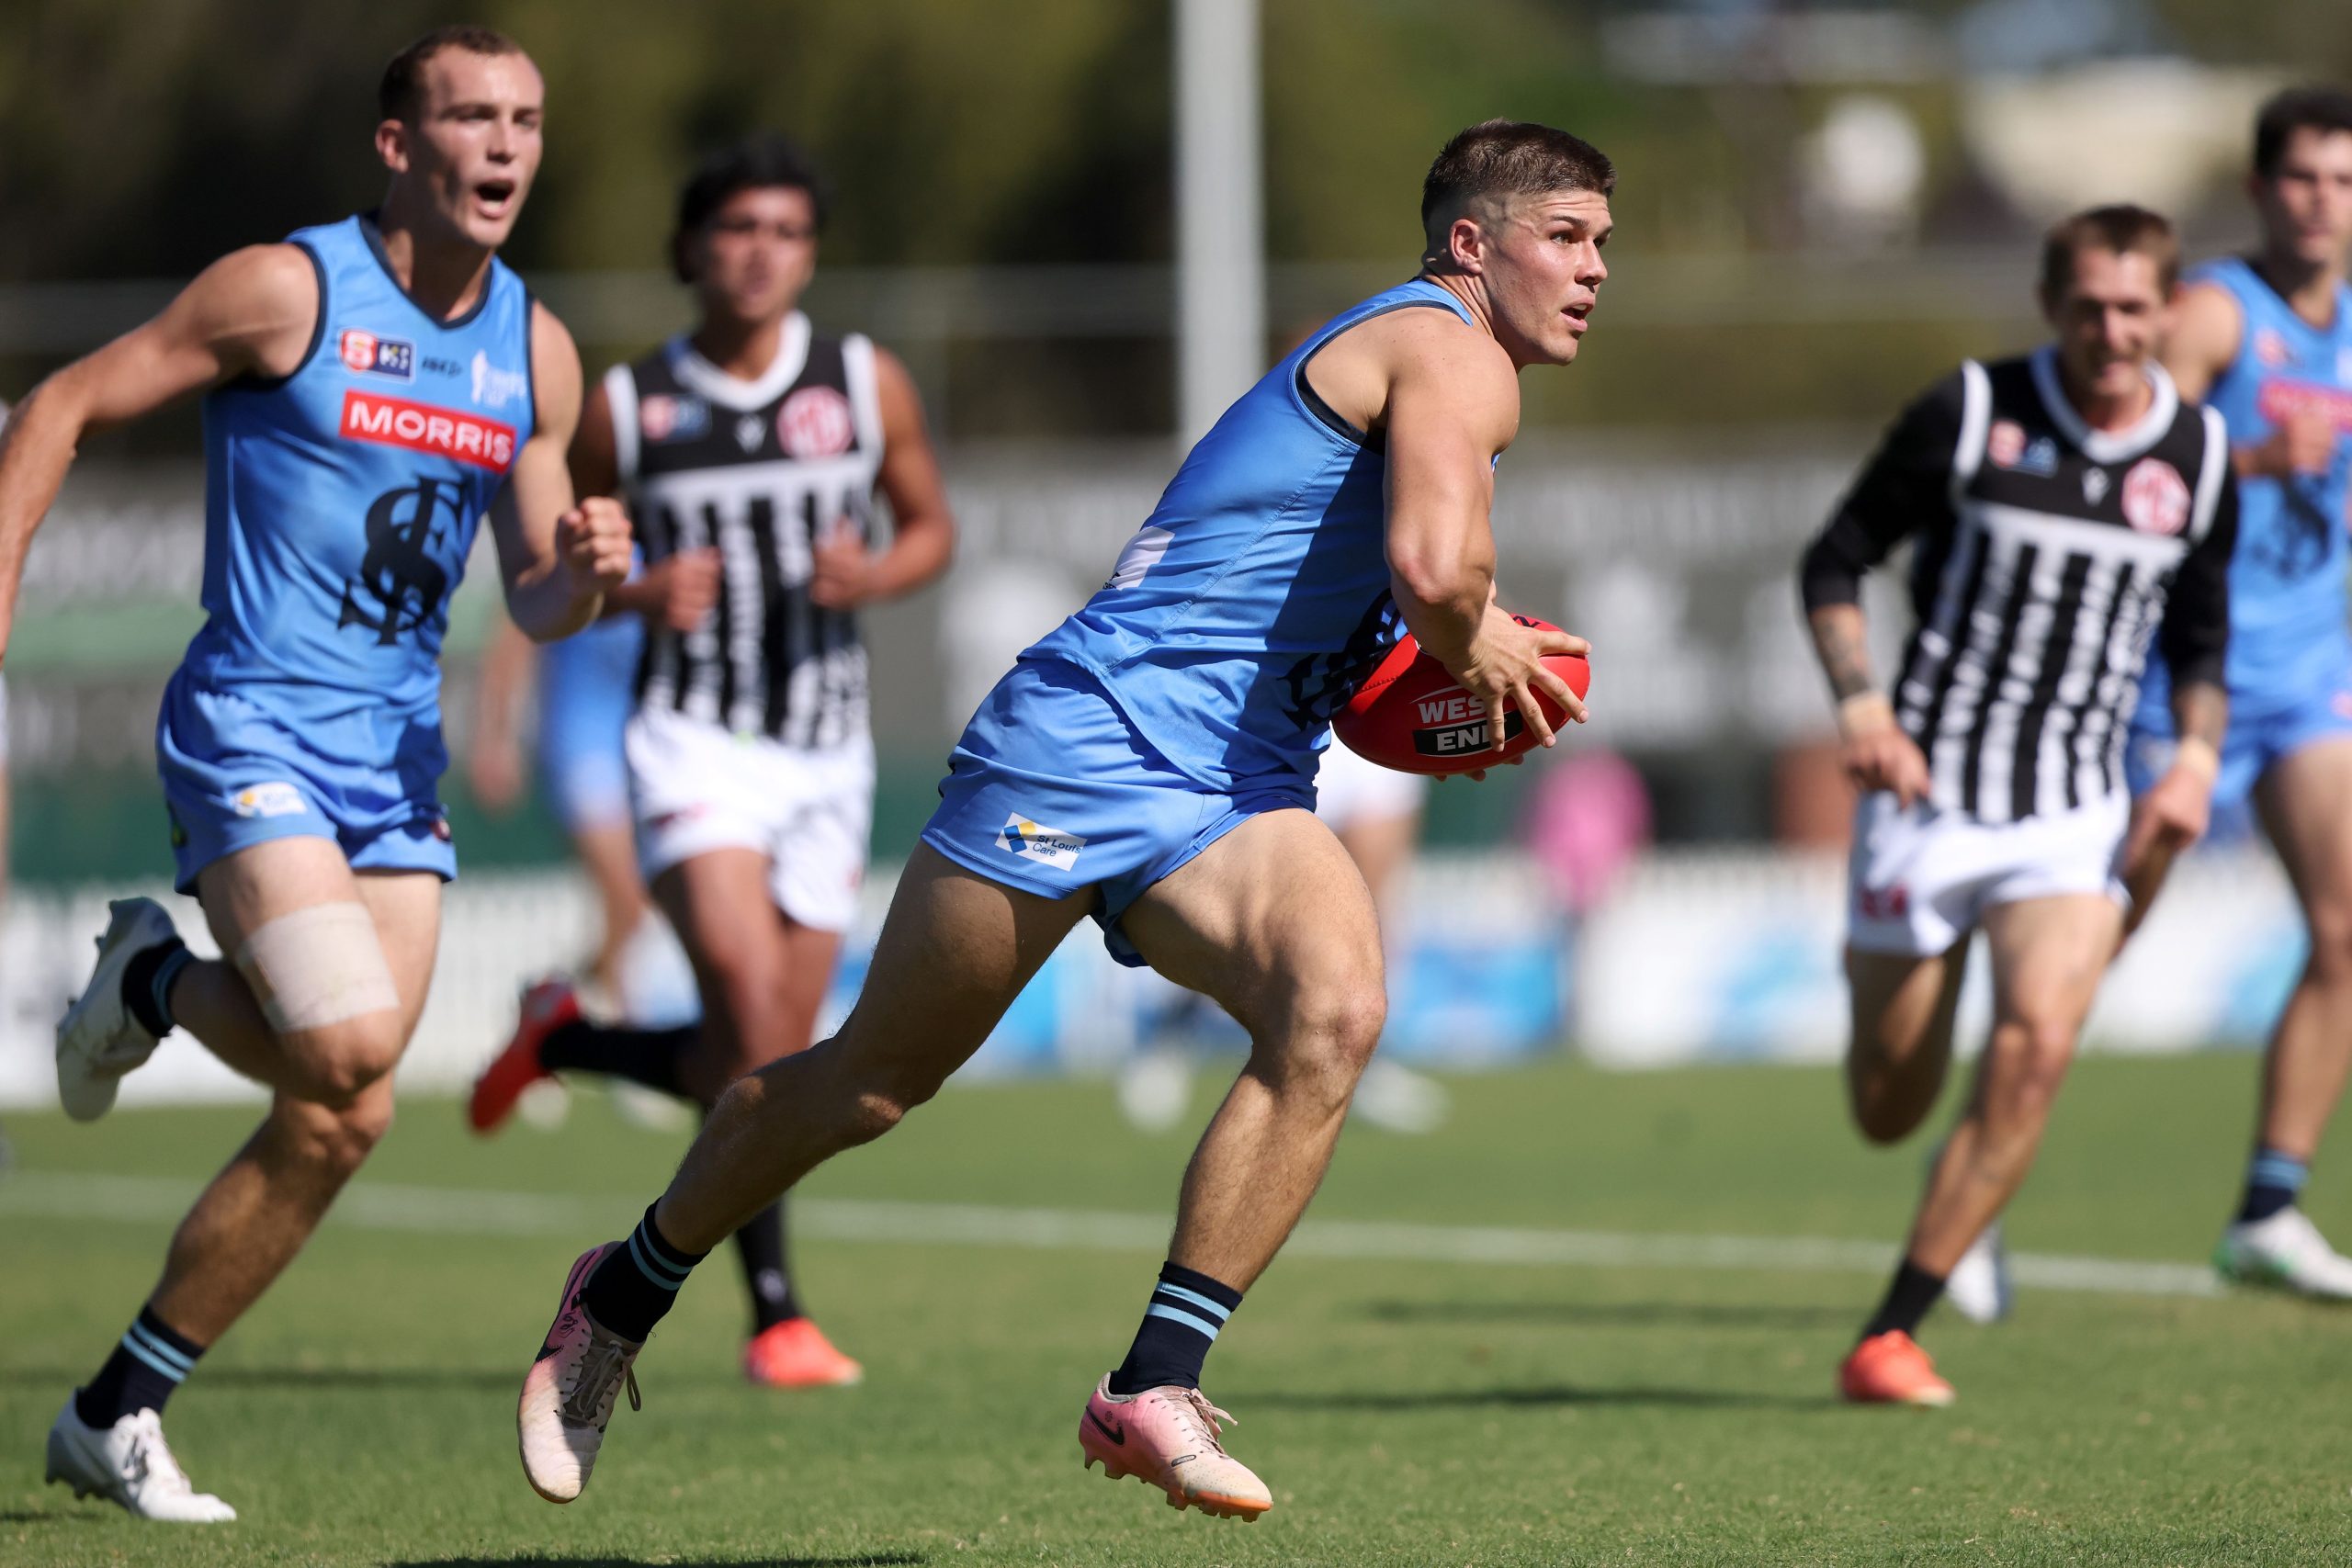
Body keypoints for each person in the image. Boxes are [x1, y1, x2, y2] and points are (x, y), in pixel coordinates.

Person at [511, 118, 1602, 1519]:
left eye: (1601, 244)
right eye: (1566, 237)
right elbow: (1433, 567)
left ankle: (1153, 1383)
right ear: (1473, 245)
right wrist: (1483, 642)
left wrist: (1424, 656)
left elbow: (1375, 596)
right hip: (1084, 745)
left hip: (1235, 779)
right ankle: (618, 1293)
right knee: (869, 1084)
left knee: (1334, 1010)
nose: (1593, 270)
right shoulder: (1449, 348)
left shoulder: (1448, 361)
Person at [0, 28, 630, 1520]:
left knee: (346, 1112)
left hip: (391, 760)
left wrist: (585, 576)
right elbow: (64, 402)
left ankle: (117, 1409)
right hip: (251, 727)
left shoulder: (535, 346)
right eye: (470, 115)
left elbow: (532, 590)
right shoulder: (289, 289)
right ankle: (151, 982)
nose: (505, 144)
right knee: (346, 1050)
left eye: (527, 118)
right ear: (398, 147)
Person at [469, 135, 956, 1390]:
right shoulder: (632, 406)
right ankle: (775, 1314)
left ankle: (568, 1039)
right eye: (737, 228)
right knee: (748, 1014)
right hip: (691, 744)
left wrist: (877, 571)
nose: (761, 252)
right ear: (692, 249)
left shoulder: (861, 381)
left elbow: (930, 526)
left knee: (769, 1062)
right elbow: (556, 559)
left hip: (824, 755)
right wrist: (631, 588)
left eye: (787, 232)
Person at [1798, 205, 2236, 1407]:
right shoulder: (1973, 413)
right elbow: (1834, 558)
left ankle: (1891, 1333)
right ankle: (1951, 1162)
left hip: (2073, 811)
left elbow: (2202, 643)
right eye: (2090, 306)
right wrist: (1861, 708)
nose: (2113, 330)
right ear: (2053, 306)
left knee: (2039, 1044)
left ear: (2169, 311)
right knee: (1890, 1110)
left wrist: (2195, 758)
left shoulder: (2197, 458)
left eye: (2136, 308)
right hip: (1926, 800)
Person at [2124, 86, 2352, 1298]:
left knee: (2346, 926)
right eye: (2304, 178)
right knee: (2091, 943)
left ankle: (2269, 1206)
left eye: (2344, 180)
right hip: (2184, 676)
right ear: (2265, 191)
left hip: (2311, 676)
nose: (2324, 202)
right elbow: (2126, 446)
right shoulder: (2218, 312)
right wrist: (2254, 458)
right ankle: (1983, 1184)